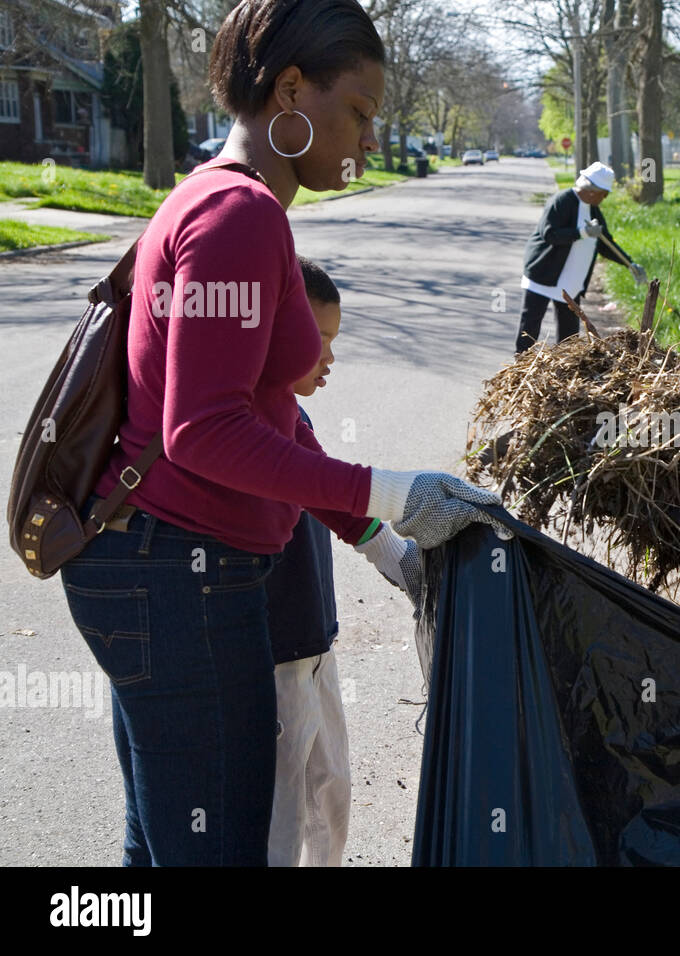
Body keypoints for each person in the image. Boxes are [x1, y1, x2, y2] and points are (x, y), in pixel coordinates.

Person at [58, 0, 498, 866]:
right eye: (361, 114)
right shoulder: (242, 214)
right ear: (291, 90)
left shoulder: (219, 200)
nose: (369, 139)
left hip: (156, 571)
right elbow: (200, 430)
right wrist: (391, 491)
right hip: (179, 579)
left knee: (163, 851)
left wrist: (378, 537)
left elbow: (271, 419)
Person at [265, 256, 421, 867]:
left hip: (314, 638)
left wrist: (402, 561)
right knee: (282, 812)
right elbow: (332, 491)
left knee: (330, 793)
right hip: (275, 651)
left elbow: (330, 496)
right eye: (319, 339)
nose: (329, 357)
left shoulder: (290, 413)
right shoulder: (249, 422)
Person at [516, 161, 647, 353]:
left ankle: (562, 376)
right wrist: (581, 232)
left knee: (569, 338)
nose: (605, 198)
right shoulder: (561, 201)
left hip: (571, 282)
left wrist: (629, 263)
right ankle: (520, 370)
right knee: (530, 328)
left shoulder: (593, 210)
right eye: (605, 194)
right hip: (543, 275)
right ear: (593, 191)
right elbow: (549, 234)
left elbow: (605, 243)